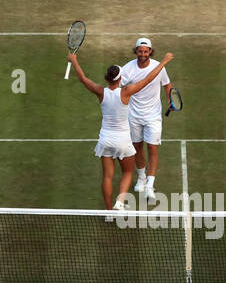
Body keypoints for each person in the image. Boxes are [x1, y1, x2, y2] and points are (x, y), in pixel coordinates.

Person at [67, 49, 174, 212]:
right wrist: (164, 62)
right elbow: (148, 79)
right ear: (120, 78)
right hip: (123, 141)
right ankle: (120, 202)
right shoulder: (126, 92)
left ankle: (109, 211)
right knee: (127, 173)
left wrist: (74, 60)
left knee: (107, 177)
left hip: (105, 140)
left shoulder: (100, 91)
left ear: (107, 78)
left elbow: (82, 79)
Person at [120, 37, 172, 197]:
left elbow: (167, 84)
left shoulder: (159, 67)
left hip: (153, 115)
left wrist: (170, 99)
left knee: (152, 148)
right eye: (140, 51)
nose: (143, 54)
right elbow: (119, 89)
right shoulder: (127, 69)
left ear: (150, 51)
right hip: (133, 115)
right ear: (136, 51)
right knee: (137, 148)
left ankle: (150, 184)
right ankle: (141, 177)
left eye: (146, 51)